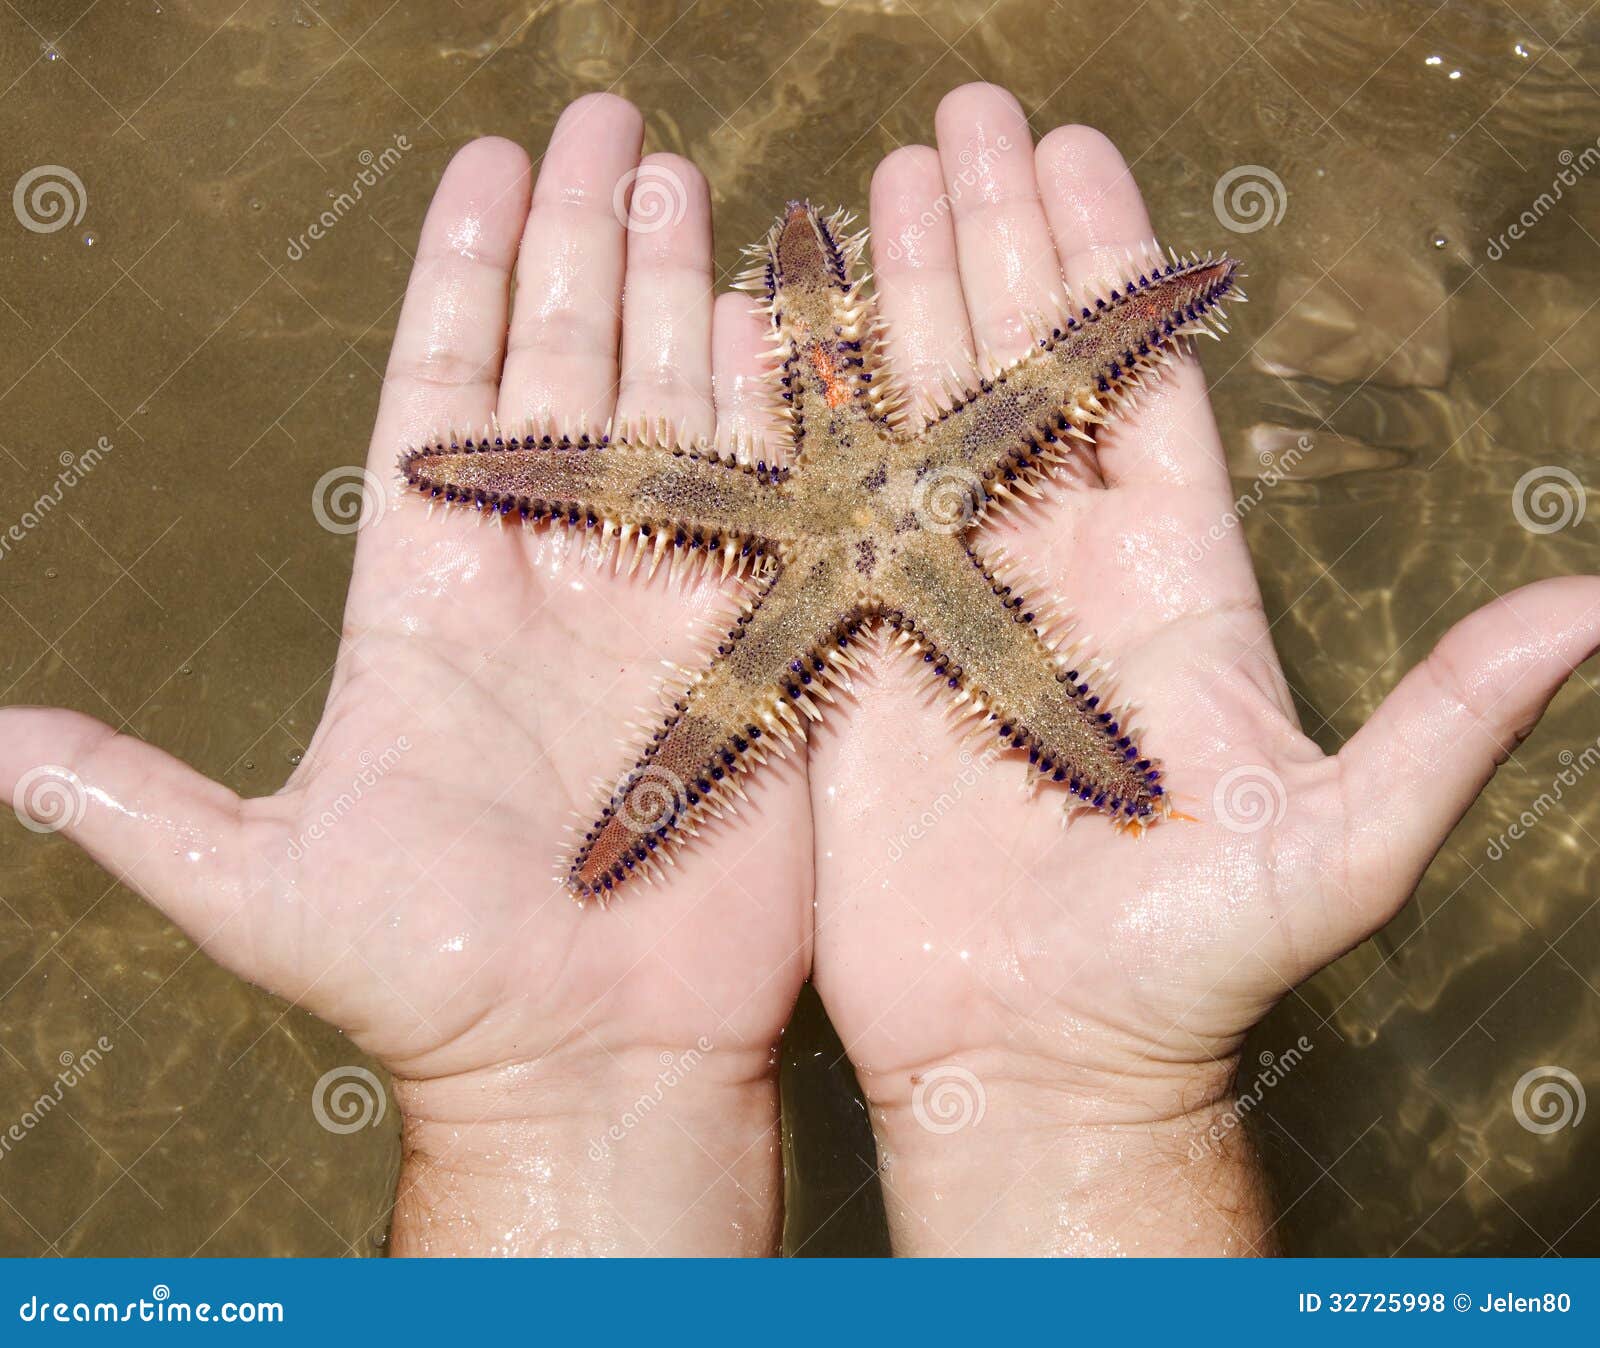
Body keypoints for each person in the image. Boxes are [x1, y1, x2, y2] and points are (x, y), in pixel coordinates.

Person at [4, 85, 1596, 1257]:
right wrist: (1083, 1114)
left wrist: (540, 1119)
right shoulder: (839, 468)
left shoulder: (880, 469)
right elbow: (790, 363)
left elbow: (936, 373)